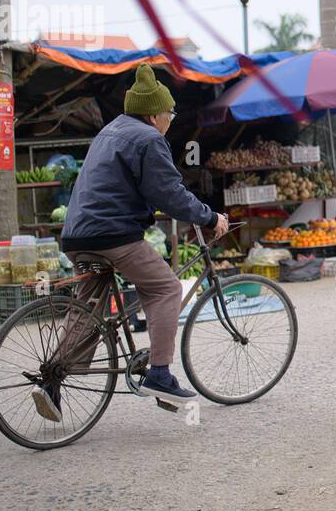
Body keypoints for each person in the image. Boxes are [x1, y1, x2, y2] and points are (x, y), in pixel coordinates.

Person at [56, 64, 228, 420]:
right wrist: (210, 218)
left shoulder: (109, 131)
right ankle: (160, 375)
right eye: (170, 114)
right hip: (113, 234)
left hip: (76, 235)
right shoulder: (150, 139)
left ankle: (51, 379)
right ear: (153, 115)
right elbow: (170, 194)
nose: (171, 120)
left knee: (88, 309)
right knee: (166, 288)